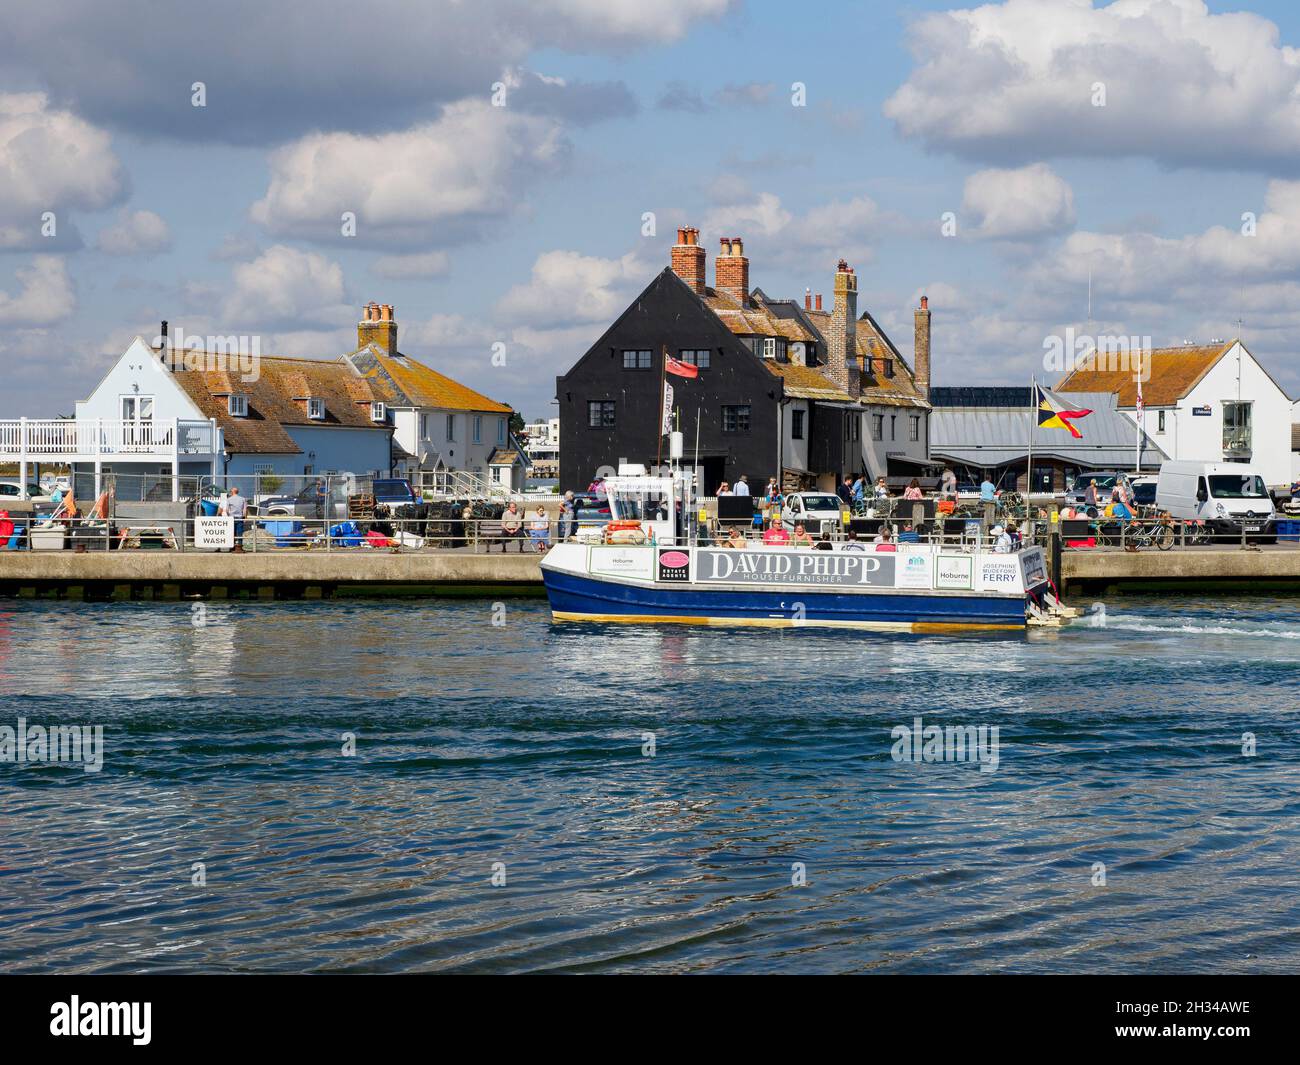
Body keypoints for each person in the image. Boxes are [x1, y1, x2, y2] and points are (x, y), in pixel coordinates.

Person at [220, 486, 248, 552]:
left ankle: (232, 547)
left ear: (232, 492)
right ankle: (240, 546)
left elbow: (226, 510)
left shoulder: (229, 499)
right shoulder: (243, 499)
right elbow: (245, 510)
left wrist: (229, 516)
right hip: (240, 518)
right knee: (240, 533)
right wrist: (245, 517)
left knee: (232, 533)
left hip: (231, 518)